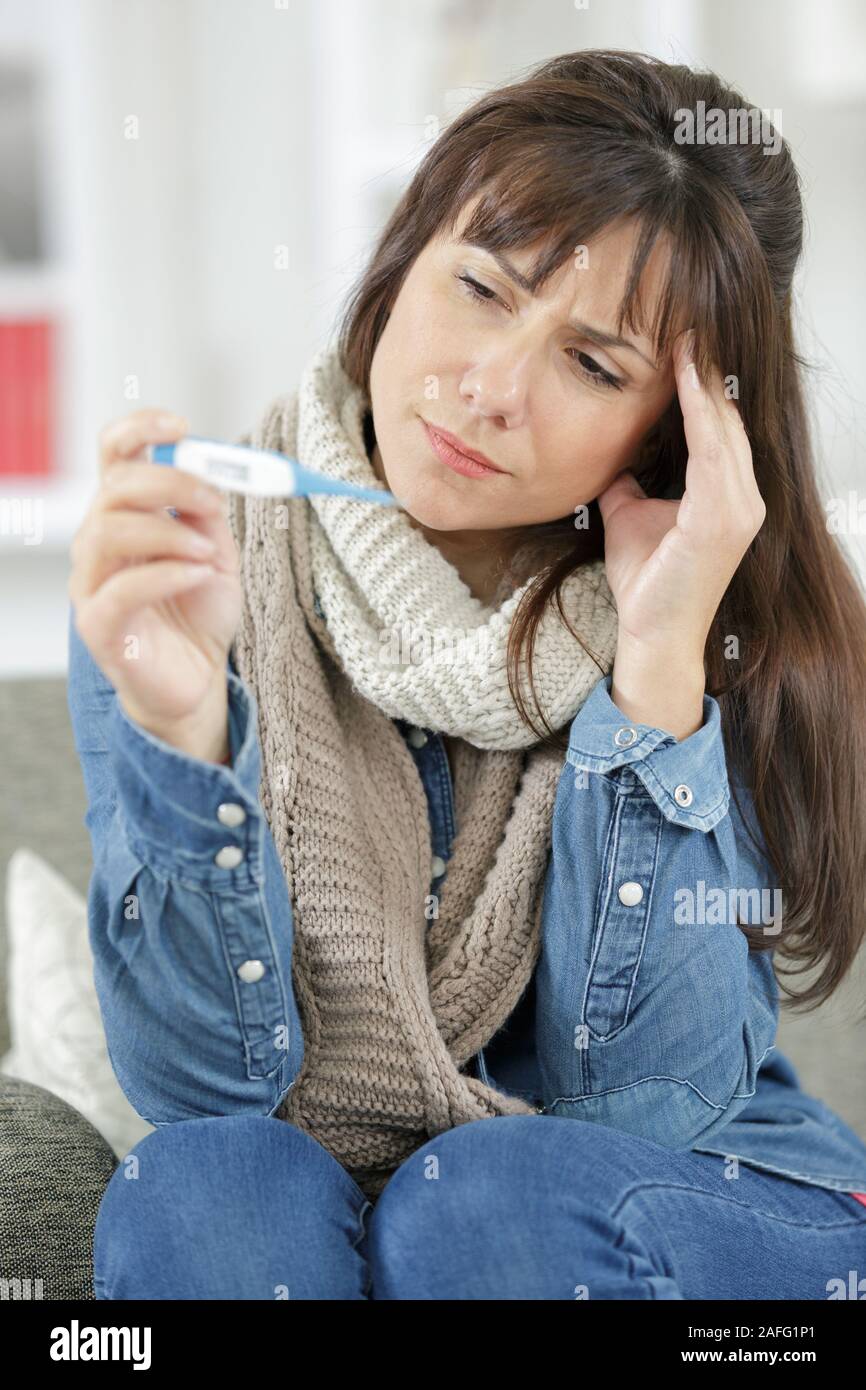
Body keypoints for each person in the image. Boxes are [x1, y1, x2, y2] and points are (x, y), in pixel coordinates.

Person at [66, 49, 866, 1300]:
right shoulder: (181, 573)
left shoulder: (710, 618)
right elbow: (208, 1092)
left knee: (481, 1203)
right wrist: (185, 738)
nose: (489, 389)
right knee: (203, 1187)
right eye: (481, 287)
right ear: (402, 259)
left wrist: (655, 668)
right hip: (334, 1198)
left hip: (691, 1203)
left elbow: (641, 1110)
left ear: (665, 430)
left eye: (593, 365)